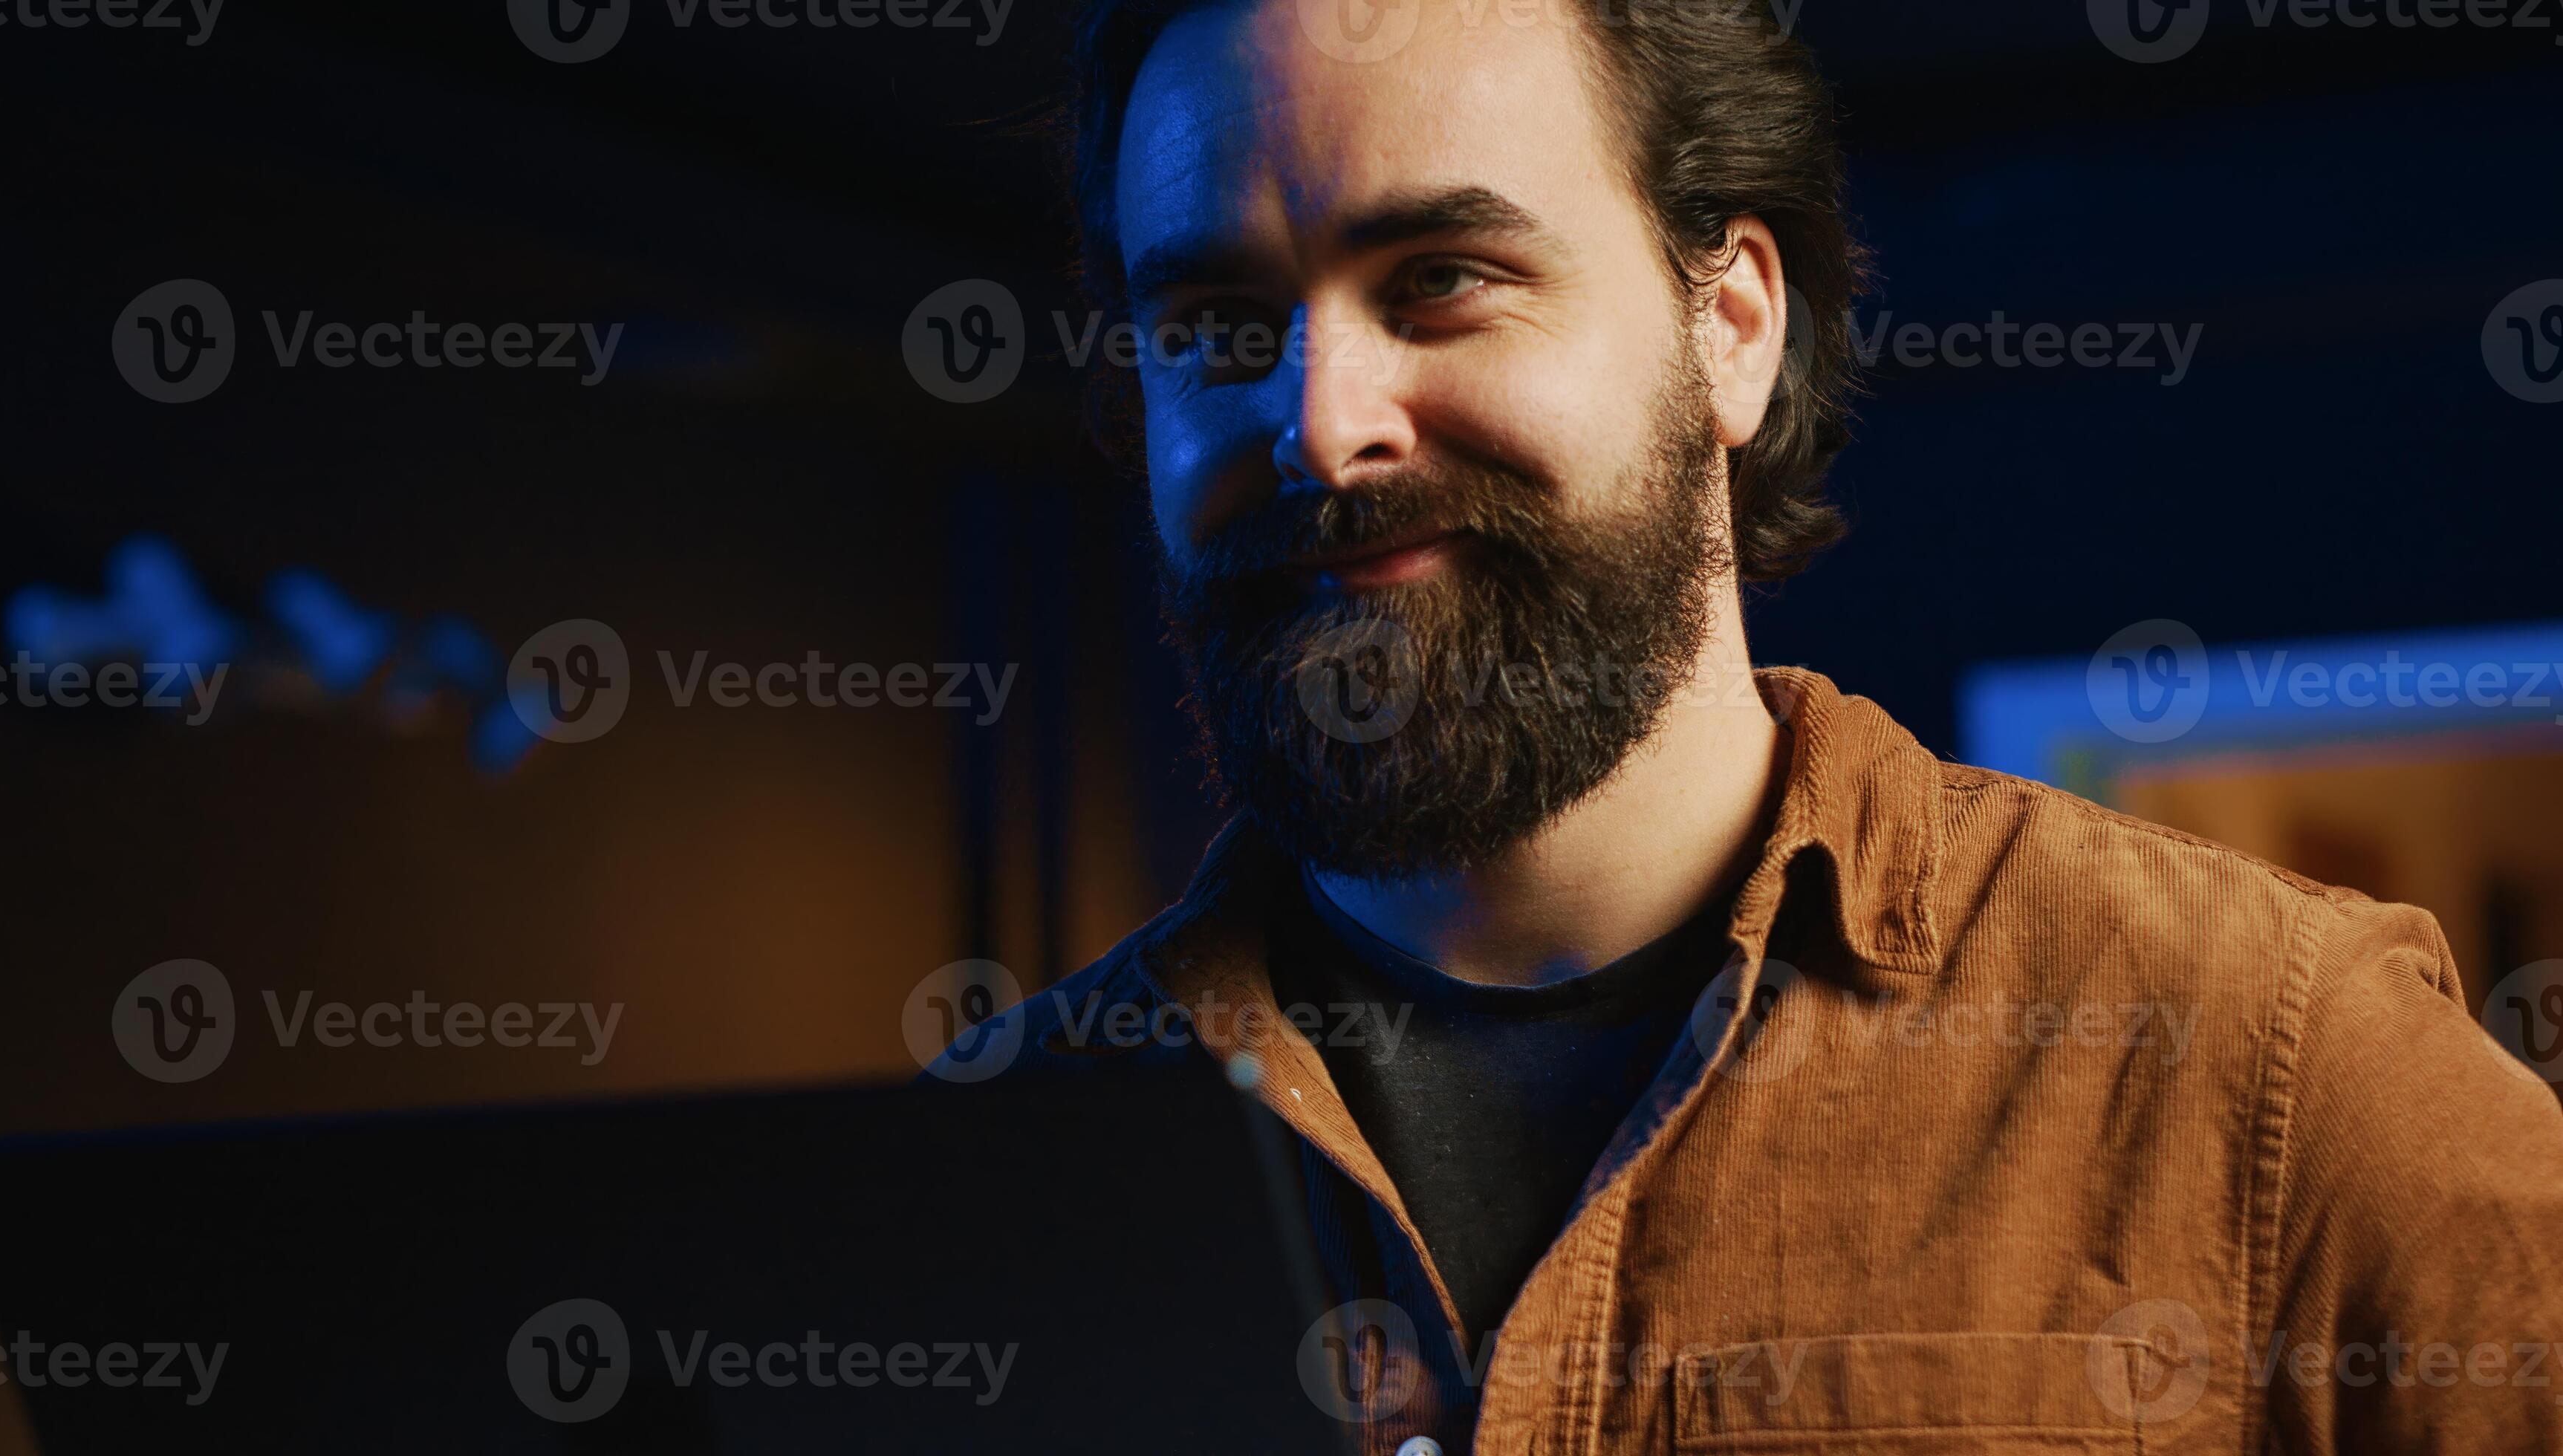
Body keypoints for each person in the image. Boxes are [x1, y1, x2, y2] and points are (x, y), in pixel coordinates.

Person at [942, 1, 2563, 1449]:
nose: (1320, 421)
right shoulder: (971, 1169)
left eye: (1442, 280)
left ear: (1732, 324)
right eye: (1220, 326)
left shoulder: (2290, 1063)